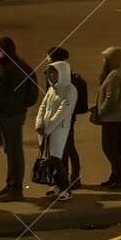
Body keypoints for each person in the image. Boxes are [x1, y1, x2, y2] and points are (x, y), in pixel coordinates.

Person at [0, 36, 36, 202]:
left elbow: (16, 94)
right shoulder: (9, 67)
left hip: (11, 116)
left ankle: (16, 189)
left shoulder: (13, 69)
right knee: (11, 151)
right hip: (9, 115)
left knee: (14, 152)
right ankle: (11, 185)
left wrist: (13, 110)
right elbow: (4, 91)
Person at [34, 59, 77, 199]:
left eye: (54, 73)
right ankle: (57, 186)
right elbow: (43, 107)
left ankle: (66, 189)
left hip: (59, 130)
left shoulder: (70, 90)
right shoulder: (52, 90)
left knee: (56, 159)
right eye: (50, 73)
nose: (52, 76)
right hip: (47, 129)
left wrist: (48, 127)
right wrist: (39, 123)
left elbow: (62, 112)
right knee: (51, 158)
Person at [91, 46, 121, 189]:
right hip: (119, 116)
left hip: (112, 118)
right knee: (117, 149)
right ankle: (115, 177)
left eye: (105, 58)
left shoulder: (114, 75)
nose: (103, 61)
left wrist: (100, 112)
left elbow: (111, 98)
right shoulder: (120, 72)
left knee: (109, 149)